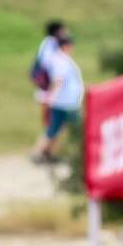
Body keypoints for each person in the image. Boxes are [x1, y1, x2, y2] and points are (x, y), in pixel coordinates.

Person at [34, 32, 84, 164]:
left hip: (64, 101)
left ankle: (45, 152)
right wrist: (51, 98)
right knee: (76, 129)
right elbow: (58, 80)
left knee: (54, 129)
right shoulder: (60, 60)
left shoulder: (59, 59)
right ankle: (40, 152)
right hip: (65, 102)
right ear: (66, 46)